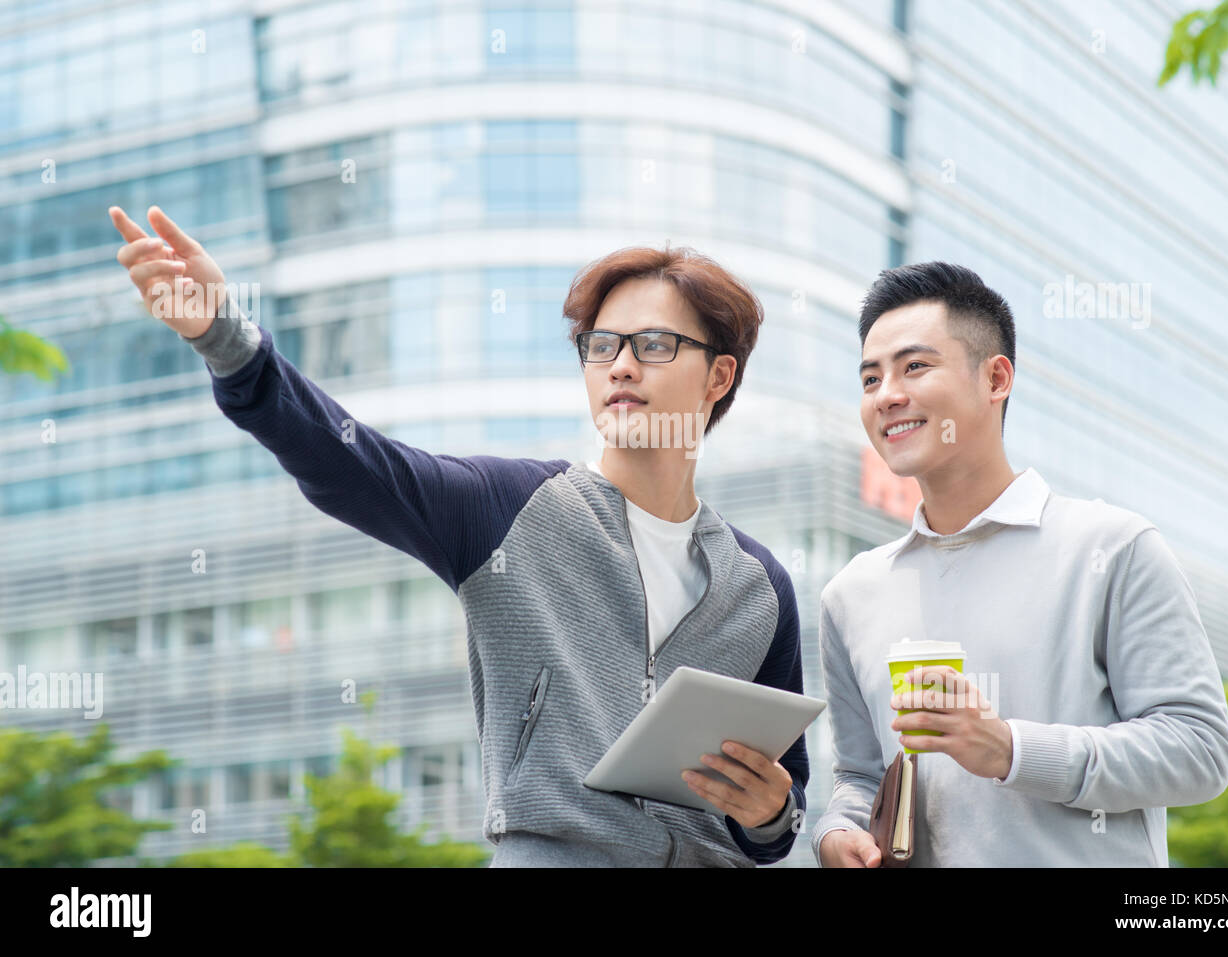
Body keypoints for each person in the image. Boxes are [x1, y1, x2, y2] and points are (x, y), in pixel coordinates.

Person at [108, 205, 807, 867]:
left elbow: (778, 819)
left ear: (719, 375)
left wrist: (772, 810)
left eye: (654, 344)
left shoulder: (761, 587)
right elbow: (349, 462)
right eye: (602, 346)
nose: (621, 364)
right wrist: (225, 339)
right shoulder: (510, 509)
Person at [812, 261, 1228, 867]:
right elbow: (859, 775)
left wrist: (1012, 750)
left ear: (996, 378)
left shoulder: (1112, 548)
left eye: (915, 367)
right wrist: (836, 833)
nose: (888, 396)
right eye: (870, 378)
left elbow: (1199, 751)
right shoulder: (852, 594)